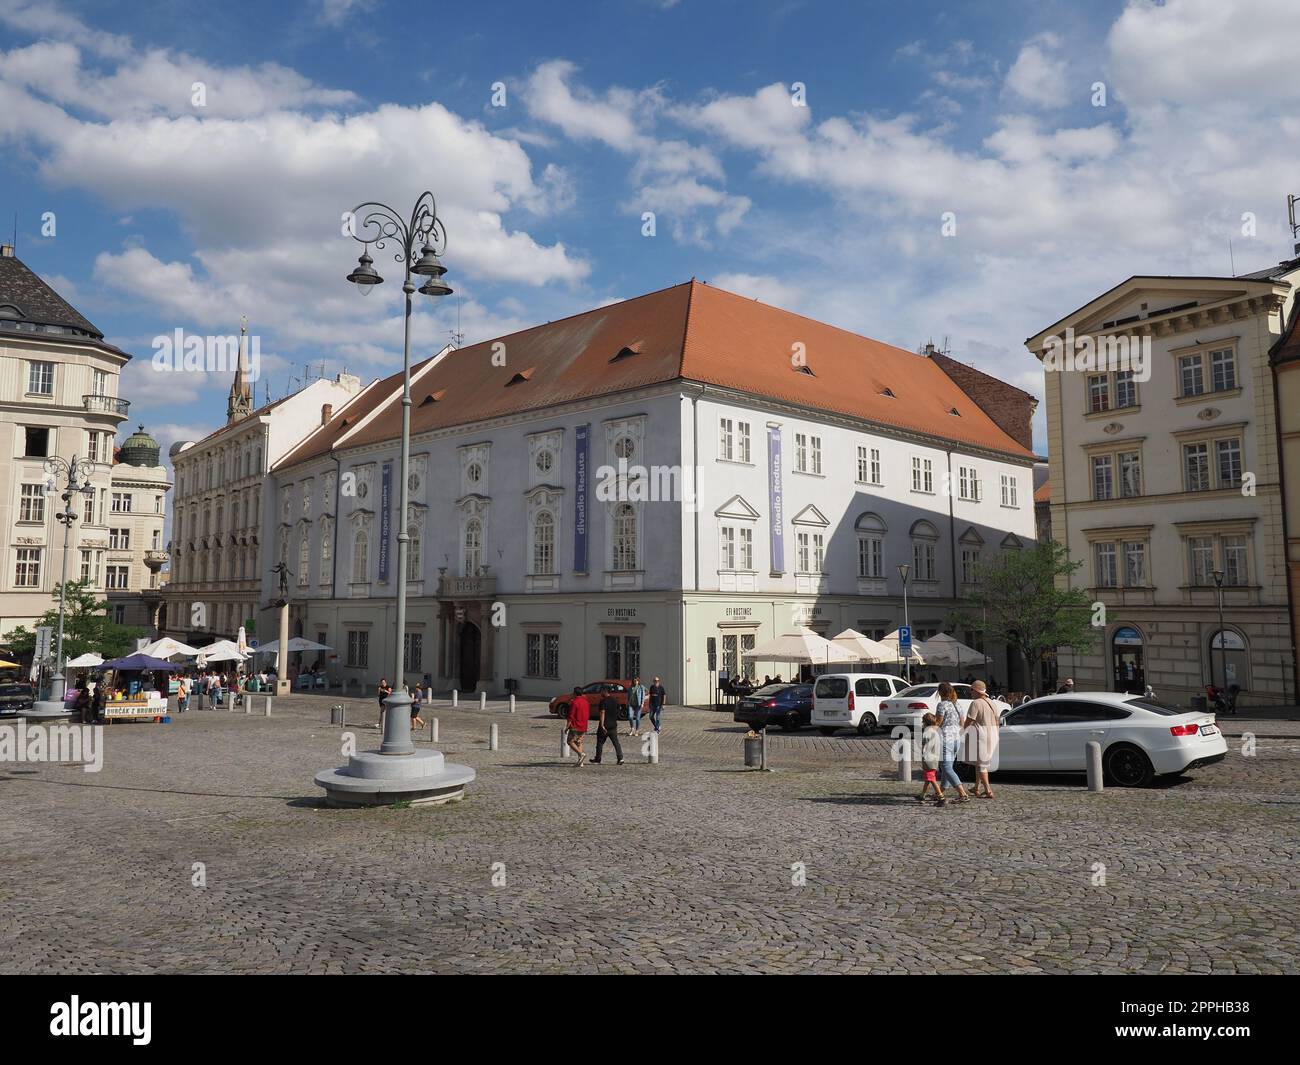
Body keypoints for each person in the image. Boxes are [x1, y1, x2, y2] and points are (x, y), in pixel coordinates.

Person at [963, 679, 1000, 799]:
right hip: (993, 734)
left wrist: (962, 730)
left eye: (971, 690)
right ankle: (976, 787)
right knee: (979, 762)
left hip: (981, 735)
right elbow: (997, 720)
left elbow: (969, 720)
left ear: (976, 691)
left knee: (981, 764)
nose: (970, 693)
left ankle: (988, 791)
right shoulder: (992, 703)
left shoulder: (976, 703)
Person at [936, 681, 971, 803]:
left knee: (945, 767)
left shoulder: (942, 705)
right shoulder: (957, 705)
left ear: (941, 692)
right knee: (948, 767)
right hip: (956, 738)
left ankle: (962, 794)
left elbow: (938, 723)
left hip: (946, 738)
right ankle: (940, 791)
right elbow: (962, 723)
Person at [918, 712, 946, 805]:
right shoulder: (935, 732)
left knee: (932, 779)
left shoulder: (927, 732)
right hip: (935, 758)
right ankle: (922, 794)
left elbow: (924, 746)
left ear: (925, 722)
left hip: (928, 759)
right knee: (928, 778)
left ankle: (941, 797)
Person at [592, 689, 625, 765]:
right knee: (616, 742)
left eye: (601, 692)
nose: (600, 694)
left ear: (604, 692)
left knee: (600, 743)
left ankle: (598, 759)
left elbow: (602, 712)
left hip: (605, 725)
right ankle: (620, 758)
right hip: (613, 725)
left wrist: (602, 725)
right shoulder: (615, 700)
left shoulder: (603, 702)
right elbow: (618, 710)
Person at [566, 686, 590, 766]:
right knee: (579, 742)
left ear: (575, 693)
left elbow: (571, 715)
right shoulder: (586, 702)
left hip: (575, 725)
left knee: (570, 741)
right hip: (584, 725)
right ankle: (581, 762)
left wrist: (567, 726)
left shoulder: (574, 702)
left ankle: (581, 754)